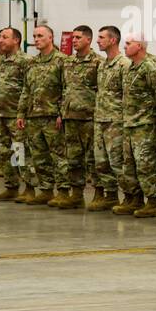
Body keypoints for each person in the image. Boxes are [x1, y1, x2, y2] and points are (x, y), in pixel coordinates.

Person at [115, 34, 156, 218]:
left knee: (146, 165)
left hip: (145, 124)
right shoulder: (130, 68)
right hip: (130, 123)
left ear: (140, 46)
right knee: (129, 165)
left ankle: (152, 202)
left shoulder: (150, 68)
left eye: (128, 44)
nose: (124, 47)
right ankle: (135, 199)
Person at [15, 25, 65, 207]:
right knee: (39, 156)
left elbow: (66, 89)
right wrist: (21, 113)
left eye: (40, 36)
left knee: (59, 156)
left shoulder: (62, 61)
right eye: (34, 36)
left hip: (53, 117)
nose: (36, 39)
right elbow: (25, 90)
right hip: (34, 116)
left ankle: (64, 191)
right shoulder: (32, 63)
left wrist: (62, 113)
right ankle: (45, 190)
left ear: (51, 37)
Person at [55, 25, 101, 209]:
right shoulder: (67, 62)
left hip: (89, 117)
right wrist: (61, 112)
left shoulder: (98, 62)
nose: (74, 41)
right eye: (73, 38)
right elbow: (64, 89)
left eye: (78, 38)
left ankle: (99, 193)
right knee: (73, 159)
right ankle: (76, 194)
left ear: (88, 39)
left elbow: (102, 90)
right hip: (70, 117)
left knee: (93, 159)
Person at [88, 26, 131, 212]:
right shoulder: (103, 65)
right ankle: (111, 195)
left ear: (113, 40)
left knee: (118, 162)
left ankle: (130, 197)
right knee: (101, 162)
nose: (97, 41)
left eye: (101, 37)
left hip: (116, 121)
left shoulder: (124, 65)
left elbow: (128, 95)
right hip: (101, 119)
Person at [0, 27, 28, 202]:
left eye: (4, 37)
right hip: (0, 114)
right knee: (5, 152)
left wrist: (22, 113)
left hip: (16, 115)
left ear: (16, 40)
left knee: (19, 151)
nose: (0, 40)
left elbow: (28, 88)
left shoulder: (25, 61)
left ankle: (28, 187)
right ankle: (11, 187)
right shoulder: (0, 61)